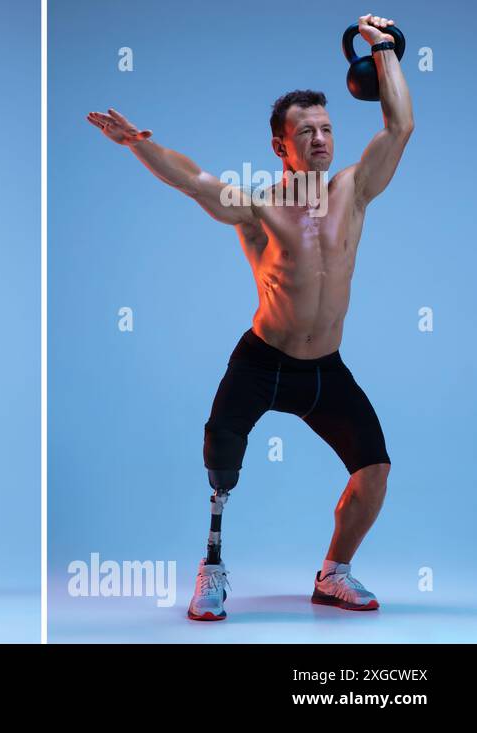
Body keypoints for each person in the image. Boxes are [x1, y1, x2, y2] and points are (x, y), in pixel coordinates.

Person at [86, 14, 412, 621]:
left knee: (375, 473)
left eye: (326, 128)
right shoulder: (258, 206)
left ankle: (333, 574)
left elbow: (400, 125)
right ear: (279, 145)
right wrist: (139, 144)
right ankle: (211, 571)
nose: (320, 139)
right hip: (263, 360)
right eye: (305, 131)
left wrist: (386, 50)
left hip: (326, 369)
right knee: (220, 462)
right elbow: (196, 182)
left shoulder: (354, 190)